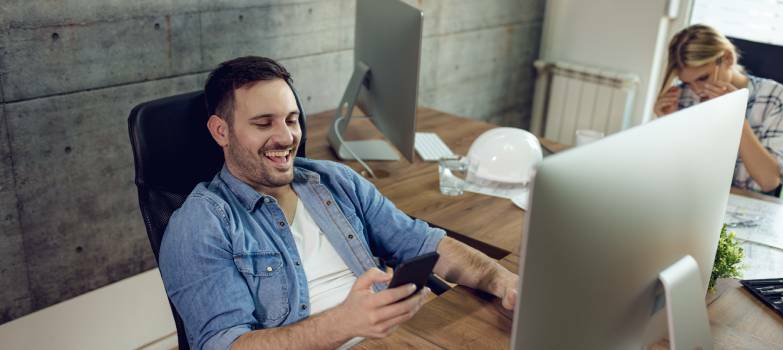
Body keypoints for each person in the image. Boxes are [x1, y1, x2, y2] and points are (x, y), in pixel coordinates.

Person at [158, 56, 520, 350]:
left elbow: (423, 242)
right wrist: (343, 323)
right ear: (221, 131)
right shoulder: (201, 224)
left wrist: (502, 280)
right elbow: (226, 344)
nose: (286, 137)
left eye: (291, 119)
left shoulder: (334, 180)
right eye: (264, 123)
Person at [653, 24, 783, 193]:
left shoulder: (774, 95)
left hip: (749, 205)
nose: (697, 90)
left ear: (728, 58)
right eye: (687, 82)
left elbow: (769, 181)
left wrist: (736, 118)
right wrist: (668, 125)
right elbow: (674, 178)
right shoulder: (683, 96)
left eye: (703, 77)